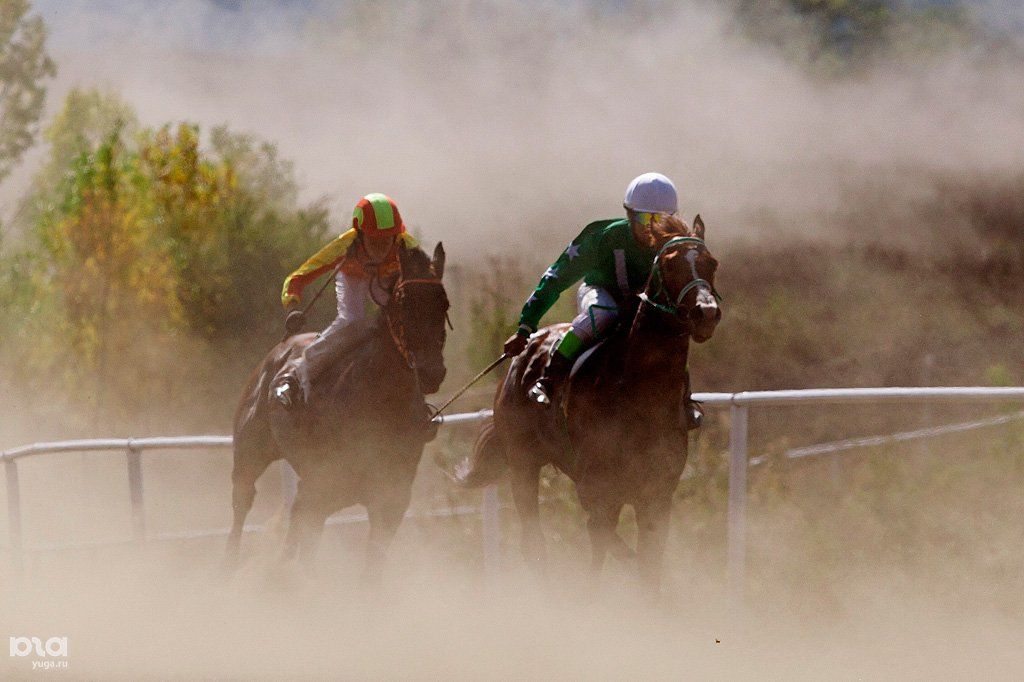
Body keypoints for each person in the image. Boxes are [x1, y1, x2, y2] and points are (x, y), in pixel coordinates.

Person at [502, 172, 703, 429]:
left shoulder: (673, 248)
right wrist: (526, 326)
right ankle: (550, 379)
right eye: (644, 218)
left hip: (643, 307)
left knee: (672, 325)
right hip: (601, 292)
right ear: (629, 214)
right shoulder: (603, 237)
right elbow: (556, 277)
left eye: (662, 219)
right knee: (604, 313)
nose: (652, 227)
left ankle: (684, 398)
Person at [273, 192, 417, 407]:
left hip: (386, 276)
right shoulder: (344, 246)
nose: (383, 247)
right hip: (354, 277)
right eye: (374, 241)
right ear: (358, 235)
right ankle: (295, 375)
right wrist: (292, 305)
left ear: (397, 235)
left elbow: (428, 277)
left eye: (388, 239)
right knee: (352, 321)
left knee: (396, 321)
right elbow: (298, 277)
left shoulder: (407, 246)